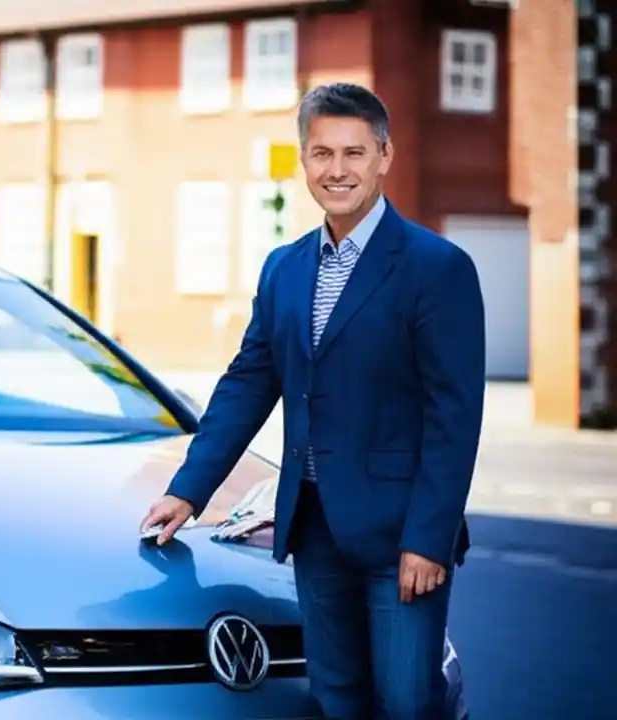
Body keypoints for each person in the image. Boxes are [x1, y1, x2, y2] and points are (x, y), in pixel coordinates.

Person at [141, 82, 485, 719]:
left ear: (384, 155)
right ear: (304, 161)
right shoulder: (284, 268)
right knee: (334, 699)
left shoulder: (437, 268)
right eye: (322, 154)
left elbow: (454, 417)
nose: (337, 170)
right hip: (315, 526)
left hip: (400, 534)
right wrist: (190, 488)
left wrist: (429, 539)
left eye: (354, 153)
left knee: (408, 702)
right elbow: (249, 382)